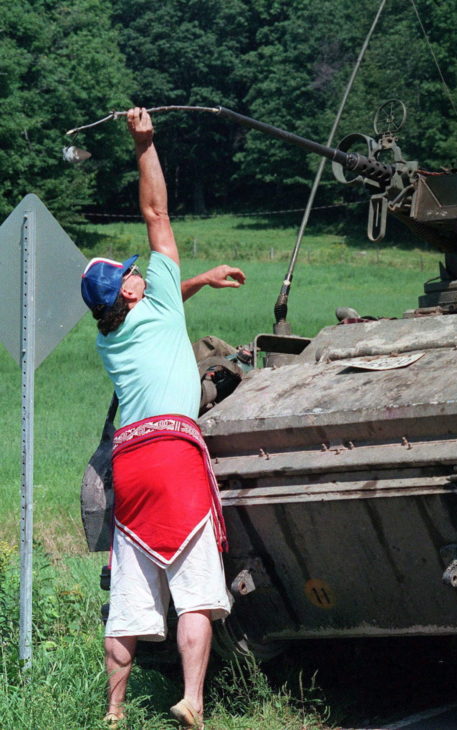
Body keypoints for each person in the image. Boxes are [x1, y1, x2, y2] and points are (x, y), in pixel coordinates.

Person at [80, 108, 246, 729]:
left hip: (130, 462)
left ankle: (115, 711)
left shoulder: (110, 336)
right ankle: (193, 699)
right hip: (176, 457)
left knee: (128, 600)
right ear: (128, 291)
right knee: (196, 589)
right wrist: (144, 144)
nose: (137, 273)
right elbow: (157, 215)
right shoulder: (150, 304)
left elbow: (161, 303)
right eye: (130, 274)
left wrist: (198, 277)